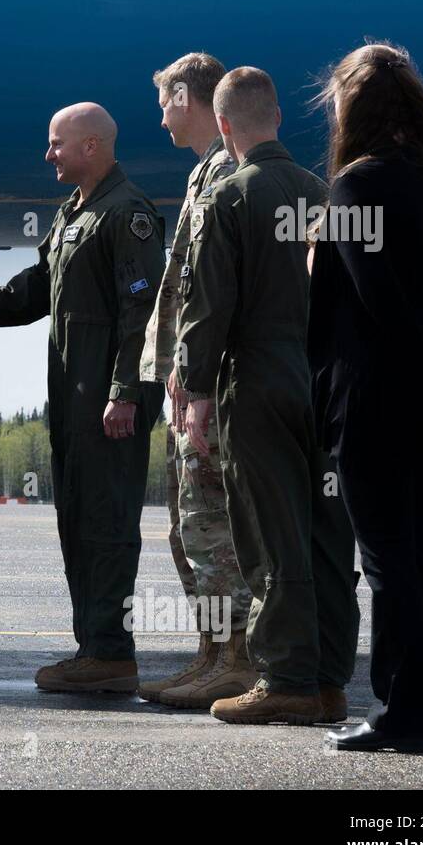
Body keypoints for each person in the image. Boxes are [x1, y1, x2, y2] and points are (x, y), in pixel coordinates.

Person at [311, 44, 423, 753]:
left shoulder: (356, 187)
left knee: (389, 562)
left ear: (352, 107)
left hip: (373, 405)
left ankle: (400, 715)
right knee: (421, 558)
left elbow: (376, 297)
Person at [0, 103, 165, 692]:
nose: (47, 155)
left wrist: (125, 392)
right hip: (78, 400)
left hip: (110, 401)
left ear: (93, 146)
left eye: (56, 145)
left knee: (106, 519)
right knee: (78, 518)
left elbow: (142, 314)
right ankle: (93, 647)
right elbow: (39, 286)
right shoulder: (76, 212)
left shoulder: (127, 214)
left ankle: (110, 652)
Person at [176, 68, 359, 724]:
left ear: (223, 126)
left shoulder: (229, 196)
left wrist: (195, 392)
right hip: (326, 381)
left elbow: (209, 304)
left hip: (256, 377)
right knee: (326, 532)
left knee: (269, 529)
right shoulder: (326, 195)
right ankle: (331, 676)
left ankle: (286, 678)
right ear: (278, 116)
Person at [136, 53, 255, 708]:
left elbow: (212, 286)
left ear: (191, 98)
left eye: (165, 101)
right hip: (190, 377)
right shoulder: (205, 171)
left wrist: (196, 376)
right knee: (188, 528)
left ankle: (235, 656)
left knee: (210, 525)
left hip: (205, 382)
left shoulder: (225, 172)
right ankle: (212, 653)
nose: (159, 116)